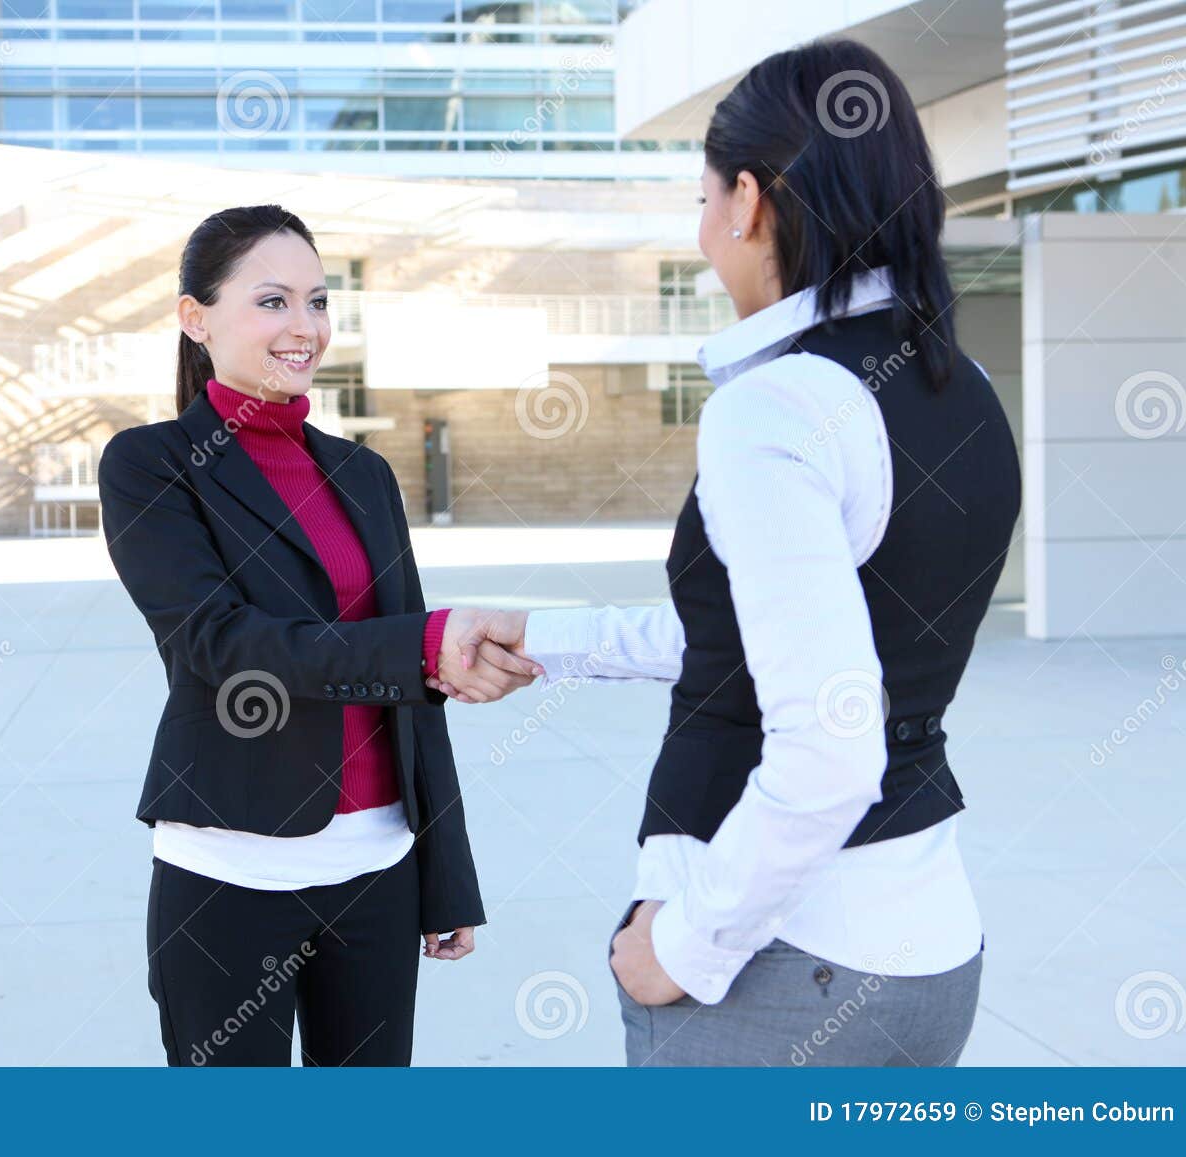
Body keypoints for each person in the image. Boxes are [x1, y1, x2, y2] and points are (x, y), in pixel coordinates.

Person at [436, 40, 1021, 1066]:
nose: (704, 230)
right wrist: (546, 638)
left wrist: (685, 943)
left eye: (704, 198)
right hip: (929, 946)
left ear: (747, 202)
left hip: (785, 969)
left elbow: (831, 743)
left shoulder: (780, 404)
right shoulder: (958, 382)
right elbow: (778, 639)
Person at [98, 204, 540, 1066]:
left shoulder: (363, 474)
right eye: (271, 301)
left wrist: (446, 873)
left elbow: (417, 692)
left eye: (317, 300)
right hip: (231, 870)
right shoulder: (150, 463)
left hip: (378, 867)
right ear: (197, 318)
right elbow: (219, 643)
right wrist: (423, 647)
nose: (303, 327)